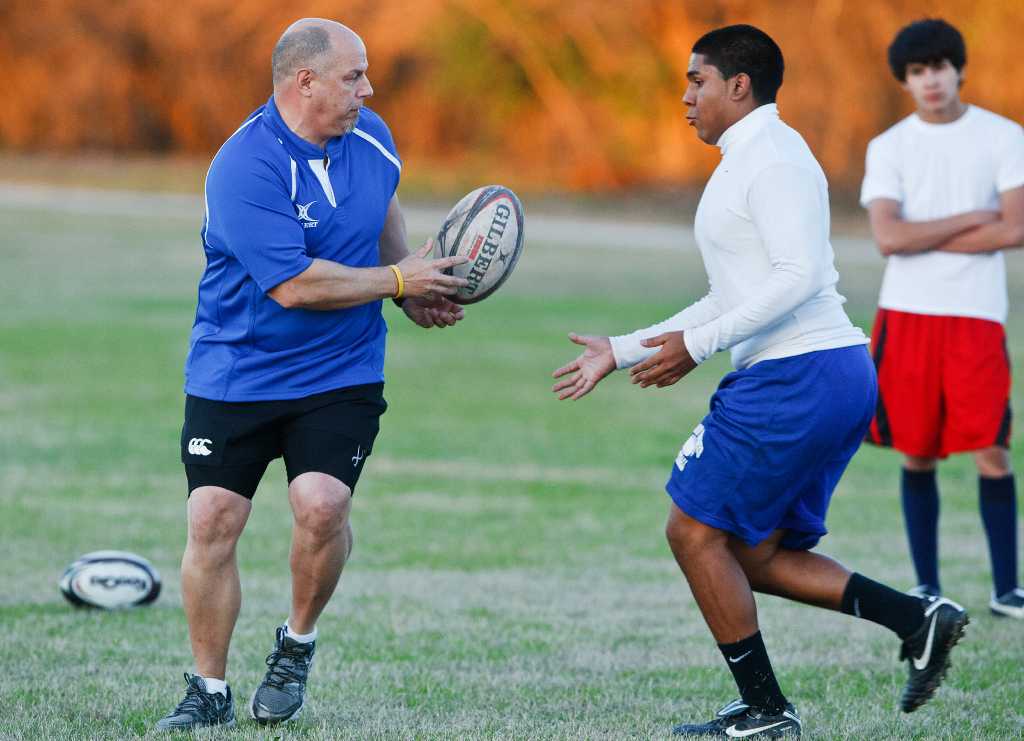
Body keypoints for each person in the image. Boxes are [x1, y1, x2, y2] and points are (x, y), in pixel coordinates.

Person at [552, 24, 968, 738]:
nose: (686, 98)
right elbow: (729, 293)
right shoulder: (748, 159)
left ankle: (768, 712)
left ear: (738, 86)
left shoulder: (771, 157)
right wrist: (621, 349)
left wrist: (698, 346)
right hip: (820, 373)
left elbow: (799, 275)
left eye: (697, 81)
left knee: (691, 530)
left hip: (799, 375)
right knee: (753, 551)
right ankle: (916, 619)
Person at [156, 18, 468, 731]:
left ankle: (296, 643)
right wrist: (396, 278)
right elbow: (293, 284)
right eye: (354, 75)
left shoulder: (372, 134)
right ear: (305, 82)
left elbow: (381, 198)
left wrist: (412, 291)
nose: (369, 88)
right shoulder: (245, 165)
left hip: (341, 367)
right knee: (212, 519)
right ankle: (209, 689)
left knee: (323, 505)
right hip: (236, 367)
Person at [860, 18, 1024, 617]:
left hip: (976, 315)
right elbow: (887, 237)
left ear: (959, 69)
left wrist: (919, 233)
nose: (930, 81)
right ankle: (926, 586)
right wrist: (969, 218)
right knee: (917, 448)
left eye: (939, 68)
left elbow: (1015, 227)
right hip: (907, 315)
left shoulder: (1004, 137)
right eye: (917, 72)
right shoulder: (890, 146)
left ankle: (1007, 588)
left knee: (992, 448)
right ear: (905, 81)